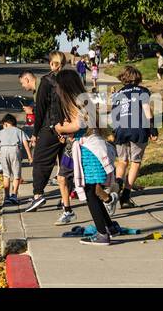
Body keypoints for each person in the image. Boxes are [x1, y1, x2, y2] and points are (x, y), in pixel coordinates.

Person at [53, 69, 116, 245]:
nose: (57, 90)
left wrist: (61, 129)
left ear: (64, 86)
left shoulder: (75, 102)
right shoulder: (85, 100)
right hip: (93, 147)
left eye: (58, 86)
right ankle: (109, 227)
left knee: (90, 192)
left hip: (89, 152)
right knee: (93, 190)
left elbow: (79, 123)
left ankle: (102, 234)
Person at [21, 53, 75, 222]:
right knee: (64, 164)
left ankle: (38, 194)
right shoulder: (70, 78)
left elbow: (42, 109)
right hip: (68, 126)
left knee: (40, 162)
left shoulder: (46, 81)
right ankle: (65, 198)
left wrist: (35, 134)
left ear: (52, 63)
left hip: (50, 127)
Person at [110, 65, 154, 208]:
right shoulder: (143, 91)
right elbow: (147, 112)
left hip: (120, 129)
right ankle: (126, 196)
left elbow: (114, 115)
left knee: (122, 161)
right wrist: (153, 129)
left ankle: (117, 184)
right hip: (138, 130)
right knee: (135, 162)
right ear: (138, 78)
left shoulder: (117, 94)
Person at [0, 114, 33, 205]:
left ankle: (7, 197)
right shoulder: (19, 131)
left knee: (6, 174)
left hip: (3, 150)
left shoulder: (0, 132)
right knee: (16, 175)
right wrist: (30, 156)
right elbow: (25, 144)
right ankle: (14, 195)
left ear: (6, 123)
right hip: (15, 150)